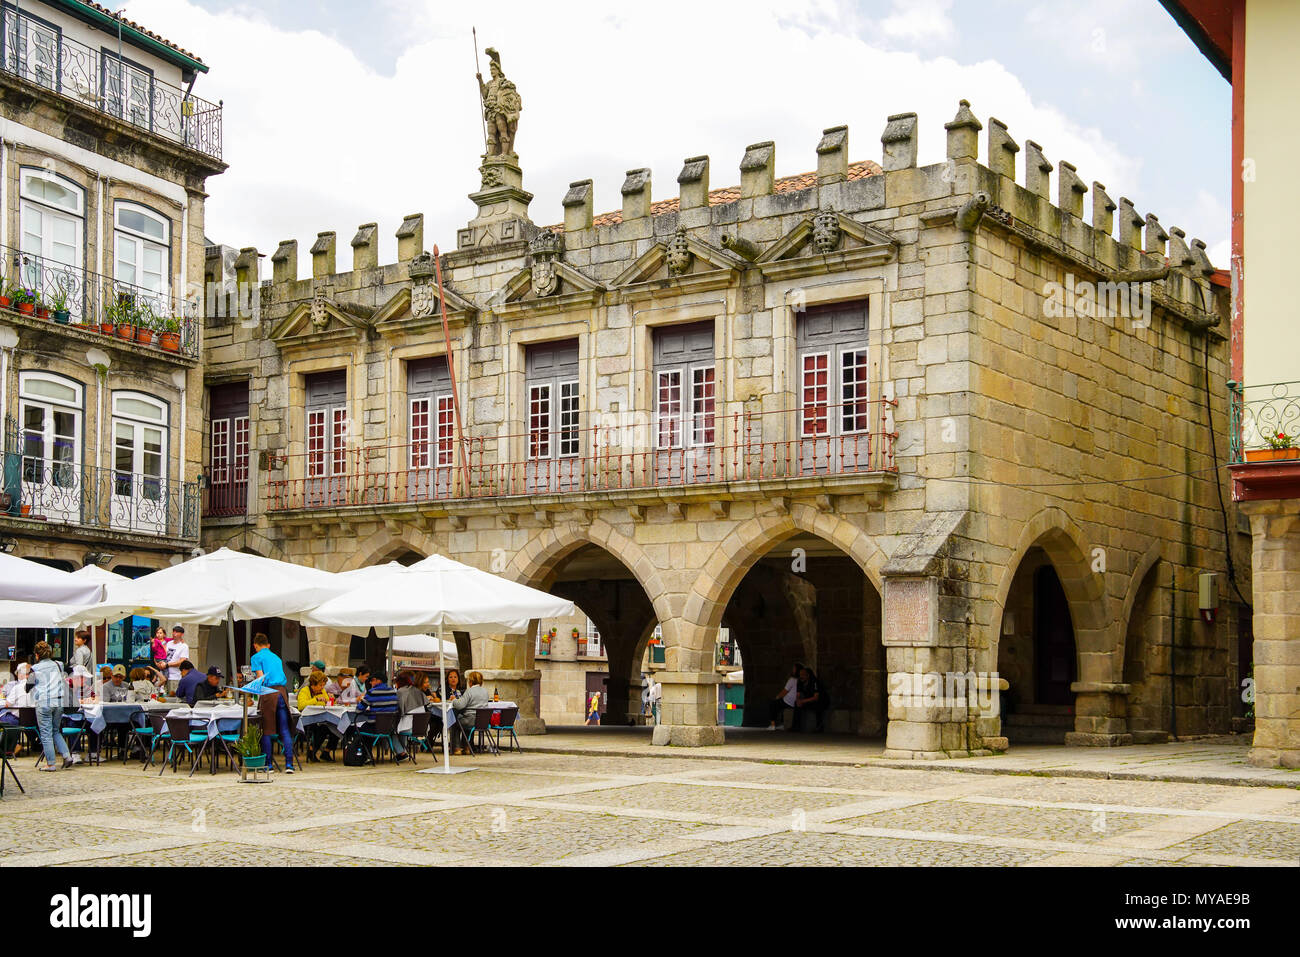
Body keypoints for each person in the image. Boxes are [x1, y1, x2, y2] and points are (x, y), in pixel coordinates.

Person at [250, 633, 295, 774]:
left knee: (267, 730)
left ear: (255, 645)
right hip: (282, 692)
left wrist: (251, 689)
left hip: (269, 692)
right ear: (268, 644)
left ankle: (268, 765)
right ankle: (289, 764)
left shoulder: (256, 657)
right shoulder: (276, 657)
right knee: (284, 729)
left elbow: (260, 677)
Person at [30, 641, 75, 771]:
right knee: (55, 731)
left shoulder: (35, 668)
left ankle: (50, 764)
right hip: (59, 702)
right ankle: (67, 756)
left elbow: (28, 686)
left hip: (44, 702)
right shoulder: (59, 664)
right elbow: (71, 670)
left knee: (46, 734)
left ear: (37, 655)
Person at [355, 670, 408, 763]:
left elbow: (358, 710)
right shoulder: (393, 692)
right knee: (367, 728)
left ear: (377, 680)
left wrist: (368, 712)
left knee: (360, 729)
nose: (370, 683)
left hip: (375, 727)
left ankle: (367, 755)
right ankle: (369, 755)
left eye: (371, 680)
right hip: (390, 728)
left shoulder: (372, 692)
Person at [296, 671, 335, 762]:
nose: (322, 688)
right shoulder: (304, 690)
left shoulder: (322, 691)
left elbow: (327, 702)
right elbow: (301, 705)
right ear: (313, 684)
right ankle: (312, 751)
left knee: (334, 727)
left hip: (321, 718)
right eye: (320, 685)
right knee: (321, 729)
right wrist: (315, 699)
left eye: (323, 685)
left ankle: (325, 752)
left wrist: (332, 699)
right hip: (306, 719)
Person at [451, 670, 491, 755]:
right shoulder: (485, 691)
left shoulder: (469, 691)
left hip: (470, 720)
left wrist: (453, 700)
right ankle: (467, 748)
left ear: (471, 681)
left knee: (454, 722)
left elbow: (460, 705)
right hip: (481, 722)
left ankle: (457, 748)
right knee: (465, 721)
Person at [767, 663, 802, 730]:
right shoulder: (800, 680)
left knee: (773, 704)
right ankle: (782, 724)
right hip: (794, 702)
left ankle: (772, 725)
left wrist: (777, 697)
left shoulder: (792, 680)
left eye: (794, 669)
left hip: (788, 701)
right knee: (780, 705)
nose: (793, 670)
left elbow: (784, 691)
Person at [795, 666, 827, 732]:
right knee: (796, 704)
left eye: (803, 675)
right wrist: (798, 701)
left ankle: (819, 726)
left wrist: (803, 701)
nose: (801, 676)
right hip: (808, 700)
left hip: (820, 700)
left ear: (808, 675)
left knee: (818, 705)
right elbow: (798, 694)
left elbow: (816, 697)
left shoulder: (815, 682)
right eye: (800, 675)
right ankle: (796, 726)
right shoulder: (800, 682)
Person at [164, 626, 189, 694]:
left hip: (176, 677)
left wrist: (167, 665)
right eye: (173, 631)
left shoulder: (184, 646)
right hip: (165, 676)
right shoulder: (169, 643)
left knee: (173, 697)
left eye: (177, 632)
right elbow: (163, 655)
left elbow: (182, 661)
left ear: (182, 634)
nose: (174, 633)